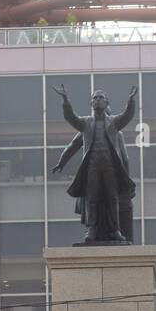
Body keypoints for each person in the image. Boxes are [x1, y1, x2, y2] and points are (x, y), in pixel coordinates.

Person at [51, 84, 137, 244]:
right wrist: (65, 100)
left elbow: (127, 116)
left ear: (106, 103)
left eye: (101, 98)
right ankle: (91, 229)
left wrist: (131, 101)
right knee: (92, 198)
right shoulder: (85, 123)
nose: (98, 100)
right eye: (95, 98)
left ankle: (115, 230)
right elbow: (71, 120)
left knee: (112, 198)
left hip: (110, 167)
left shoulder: (114, 122)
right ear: (91, 104)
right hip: (92, 166)